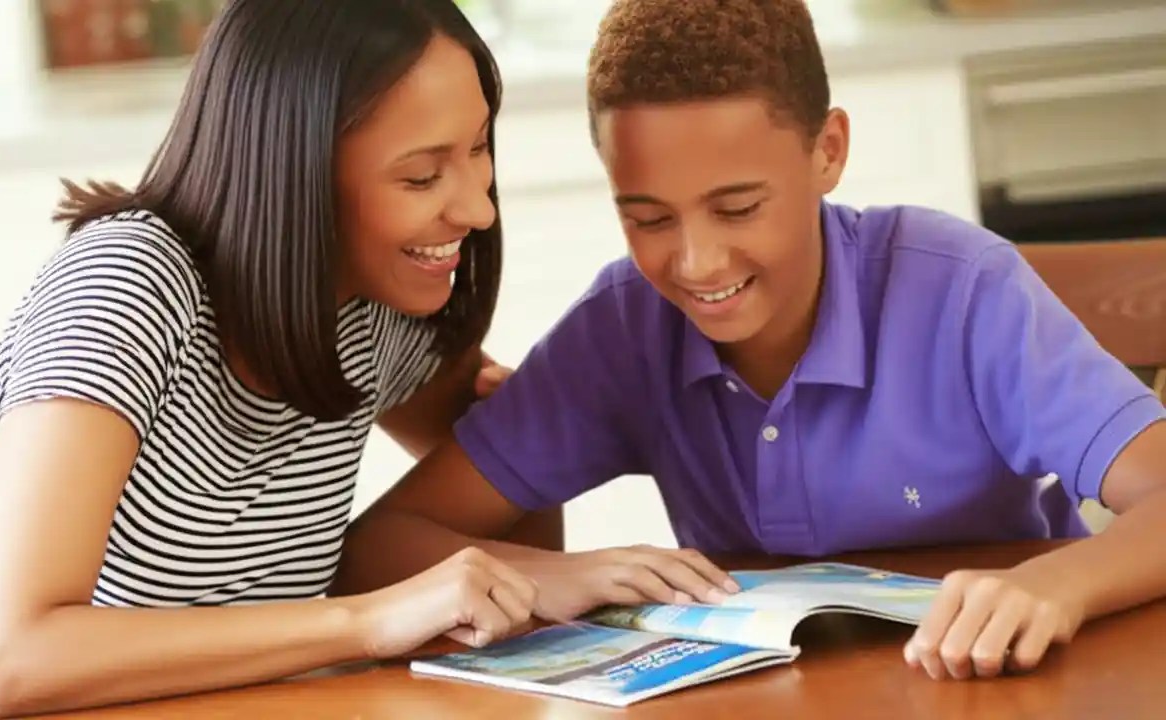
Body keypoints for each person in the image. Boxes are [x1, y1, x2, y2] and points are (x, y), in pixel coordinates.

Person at [336, 0, 1166, 684]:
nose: (696, 263)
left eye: (738, 208)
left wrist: (1055, 585)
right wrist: (555, 574)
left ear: (827, 151)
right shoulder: (624, 327)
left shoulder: (960, 290)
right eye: (648, 217)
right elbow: (380, 549)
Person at [0, 1, 564, 718]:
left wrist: (551, 576)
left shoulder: (375, 312)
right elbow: (7, 664)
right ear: (291, 169)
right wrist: (366, 619)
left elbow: (512, 467)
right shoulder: (128, 286)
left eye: (479, 149)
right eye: (422, 177)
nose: (479, 209)